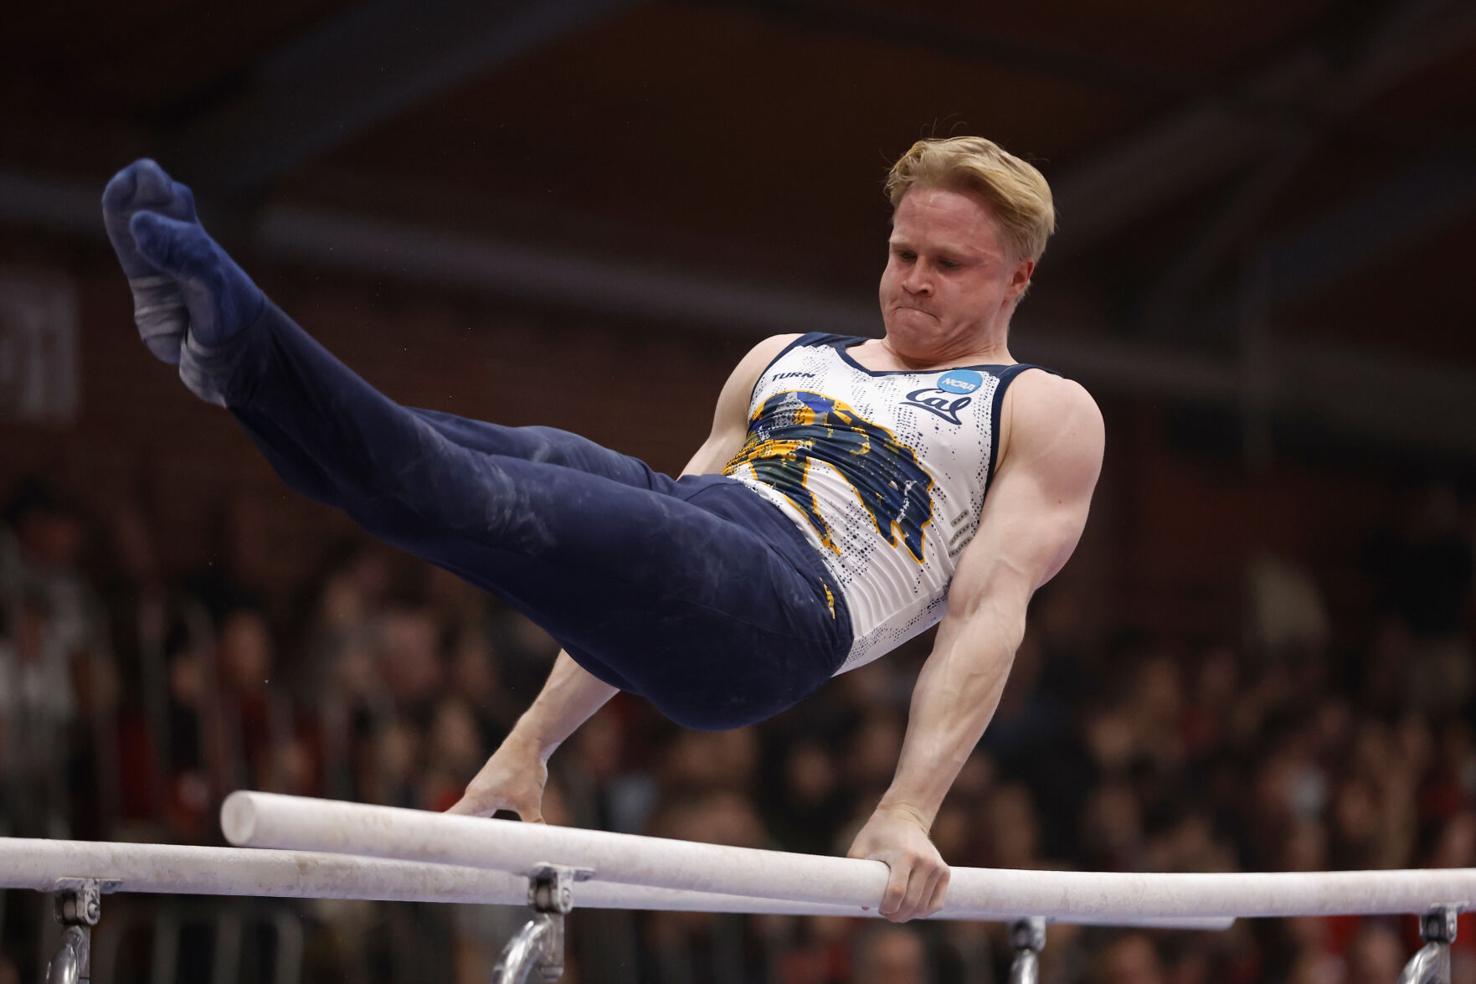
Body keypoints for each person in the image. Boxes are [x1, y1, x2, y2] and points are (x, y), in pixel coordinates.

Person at [101, 135, 1104, 922]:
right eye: (902, 252)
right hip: (705, 536)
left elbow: (984, 614)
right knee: (493, 463)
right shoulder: (787, 356)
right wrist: (528, 748)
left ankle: (236, 340)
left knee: (469, 492)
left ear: (1016, 279)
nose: (913, 280)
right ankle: (228, 369)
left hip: (786, 612)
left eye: (949, 265)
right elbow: (623, 566)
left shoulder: (1041, 410)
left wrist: (908, 807)